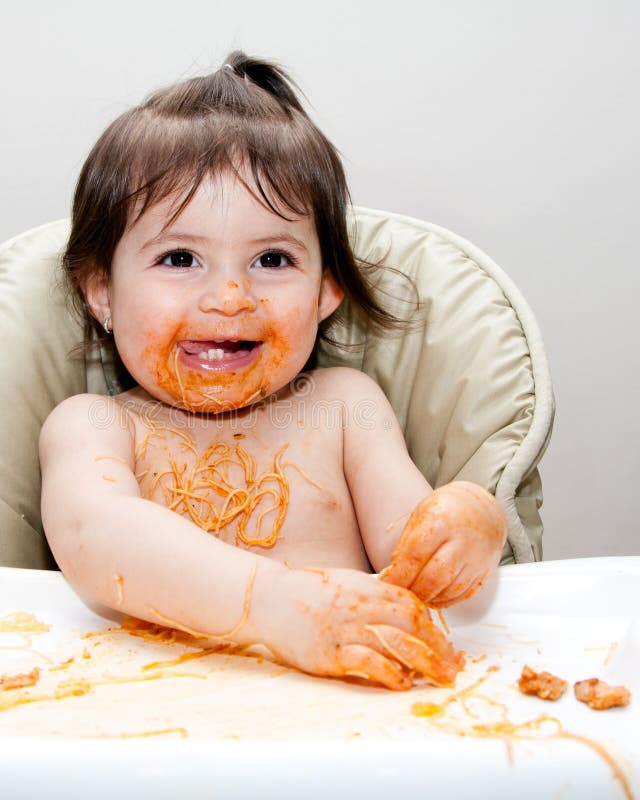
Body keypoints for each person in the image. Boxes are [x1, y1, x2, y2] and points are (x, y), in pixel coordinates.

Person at [39, 51, 506, 691]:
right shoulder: (94, 426)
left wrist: (470, 523)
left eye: (272, 259)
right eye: (179, 258)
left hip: (344, 719)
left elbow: (413, 547)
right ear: (102, 293)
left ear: (326, 291)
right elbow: (95, 535)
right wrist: (273, 605)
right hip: (143, 715)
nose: (230, 297)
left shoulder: (345, 409)